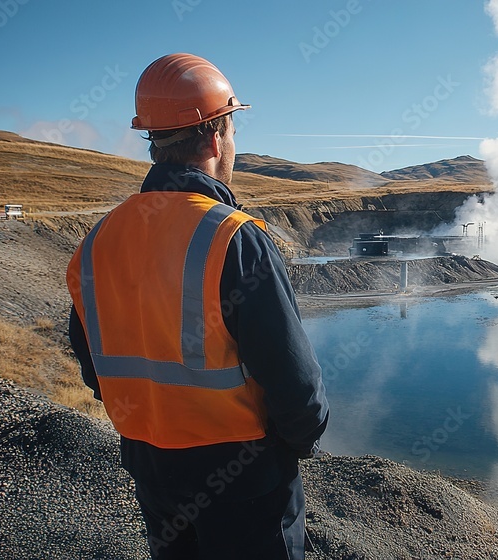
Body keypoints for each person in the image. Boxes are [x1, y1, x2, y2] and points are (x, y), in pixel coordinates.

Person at [65, 53, 329, 560]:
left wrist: (151, 427)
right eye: (233, 130)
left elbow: (92, 361)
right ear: (215, 136)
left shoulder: (97, 242)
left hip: (154, 477)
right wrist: (289, 448)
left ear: (153, 141)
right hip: (245, 484)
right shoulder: (233, 237)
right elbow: (297, 385)